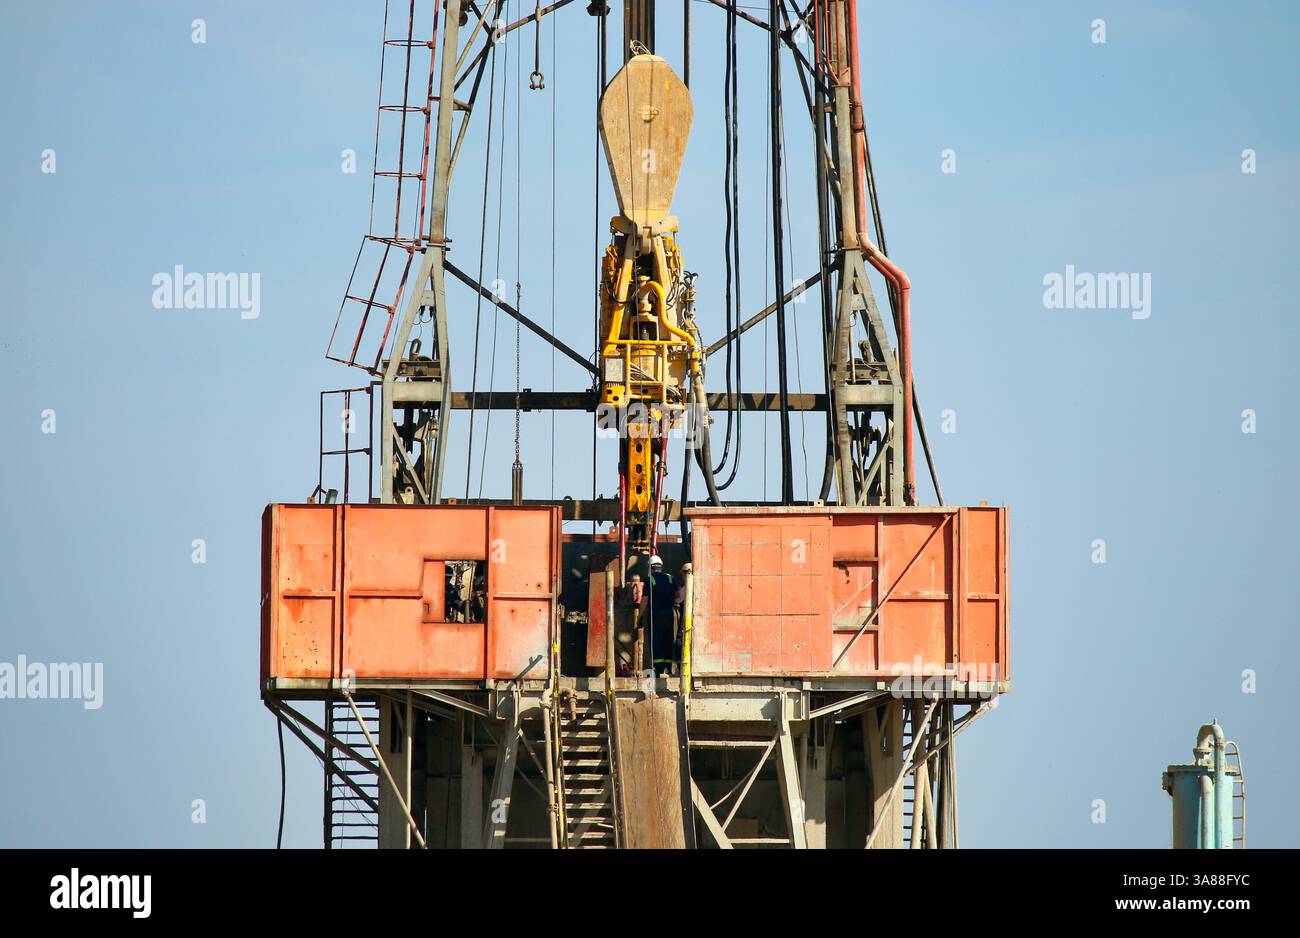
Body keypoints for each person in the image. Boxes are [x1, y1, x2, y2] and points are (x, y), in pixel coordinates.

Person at [641, 555, 681, 676]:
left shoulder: (649, 579)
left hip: (656, 614)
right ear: (661, 566)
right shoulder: (671, 578)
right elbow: (678, 595)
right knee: (668, 639)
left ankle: (658, 669)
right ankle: (668, 667)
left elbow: (645, 600)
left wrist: (639, 616)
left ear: (650, 567)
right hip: (669, 613)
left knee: (657, 640)